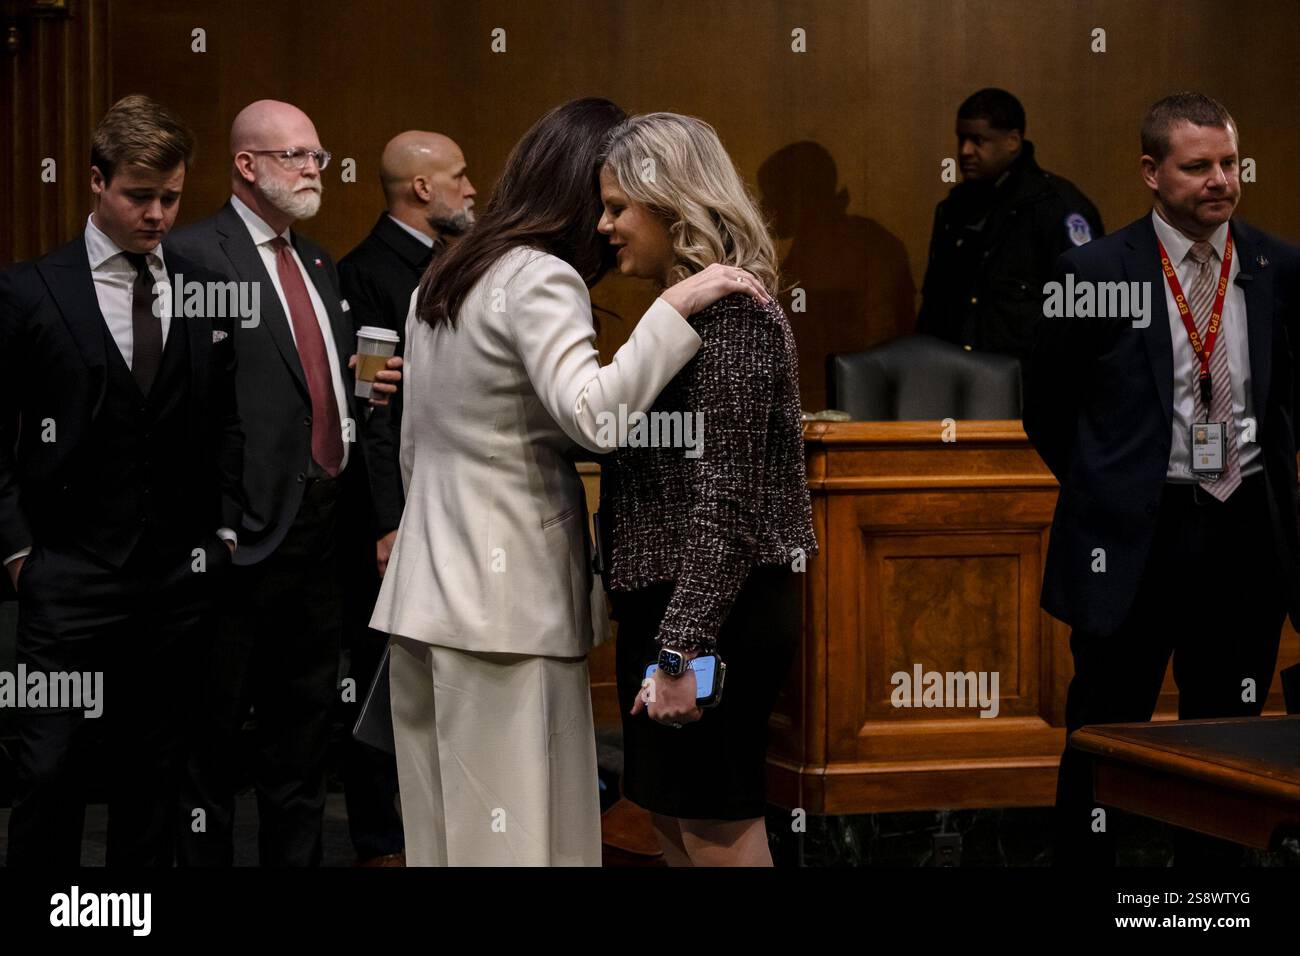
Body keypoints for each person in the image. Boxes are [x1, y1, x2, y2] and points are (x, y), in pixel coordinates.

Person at [369, 97, 769, 866]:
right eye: (610, 200)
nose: (615, 224)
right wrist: (677, 305)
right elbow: (596, 420)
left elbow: (416, 447)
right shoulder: (541, 277)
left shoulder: (445, 273)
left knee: (447, 837)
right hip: (505, 607)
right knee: (522, 839)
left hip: (428, 596)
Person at [1023, 92, 1300, 865]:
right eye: (1198, 165)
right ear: (1151, 172)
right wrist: (1110, 488)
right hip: (1132, 536)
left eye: (1229, 163)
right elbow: (1045, 409)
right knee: (1106, 727)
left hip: (1244, 530)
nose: (1221, 180)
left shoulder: (1281, 266)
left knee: (1229, 740)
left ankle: (1210, 901)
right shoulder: (1090, 270)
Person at [0, 95, 244, 866]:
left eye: (171, 198)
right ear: (97, 183)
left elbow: (229, 422)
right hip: (67, 576)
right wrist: (17, 553)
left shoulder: (206, 287)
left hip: (176, 580)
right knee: (49, 772)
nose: (158, 215)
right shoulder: (29, 290)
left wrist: (226, 533)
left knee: (154, 778)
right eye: (140, 196)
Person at [165, 99, 402, 866]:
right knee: (208, 748)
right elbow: (182, 406)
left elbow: (315, 389)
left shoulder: (321, 261)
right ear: (247, 165)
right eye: (295, 155)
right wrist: (220, 524)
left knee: (300, 746)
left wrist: (370, 389)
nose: (312, 170)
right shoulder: (195, 253)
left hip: (319, 537)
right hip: (237, 546)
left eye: (318, 156)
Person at [595, 113, 817, 866]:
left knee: (715, 825)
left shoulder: (737, 319)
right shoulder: (686, 308)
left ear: (670, 201)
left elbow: (727, 501)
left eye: (618, 206)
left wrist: (682, 648)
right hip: (668, 601)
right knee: (671, 817)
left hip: (717, 608)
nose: (606, 225)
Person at [335, 130, 475, 865]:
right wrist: (389, 523)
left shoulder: (457, 265)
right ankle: (381, 841)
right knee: (378, 677)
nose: (472, 189)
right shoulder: (368, 273)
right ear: (423, 189)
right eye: (460, 176)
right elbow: (372, 411)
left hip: (453, 511)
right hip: (395, 519)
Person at [917, 88, 1104, 360]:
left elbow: (1087, 310)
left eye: (978, 140)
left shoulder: (1058, 208)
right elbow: (934, 306)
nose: (965, 151)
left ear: (1012, 141)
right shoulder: (954, 209)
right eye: (961, 139)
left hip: (1029, 383)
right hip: (951, 376)